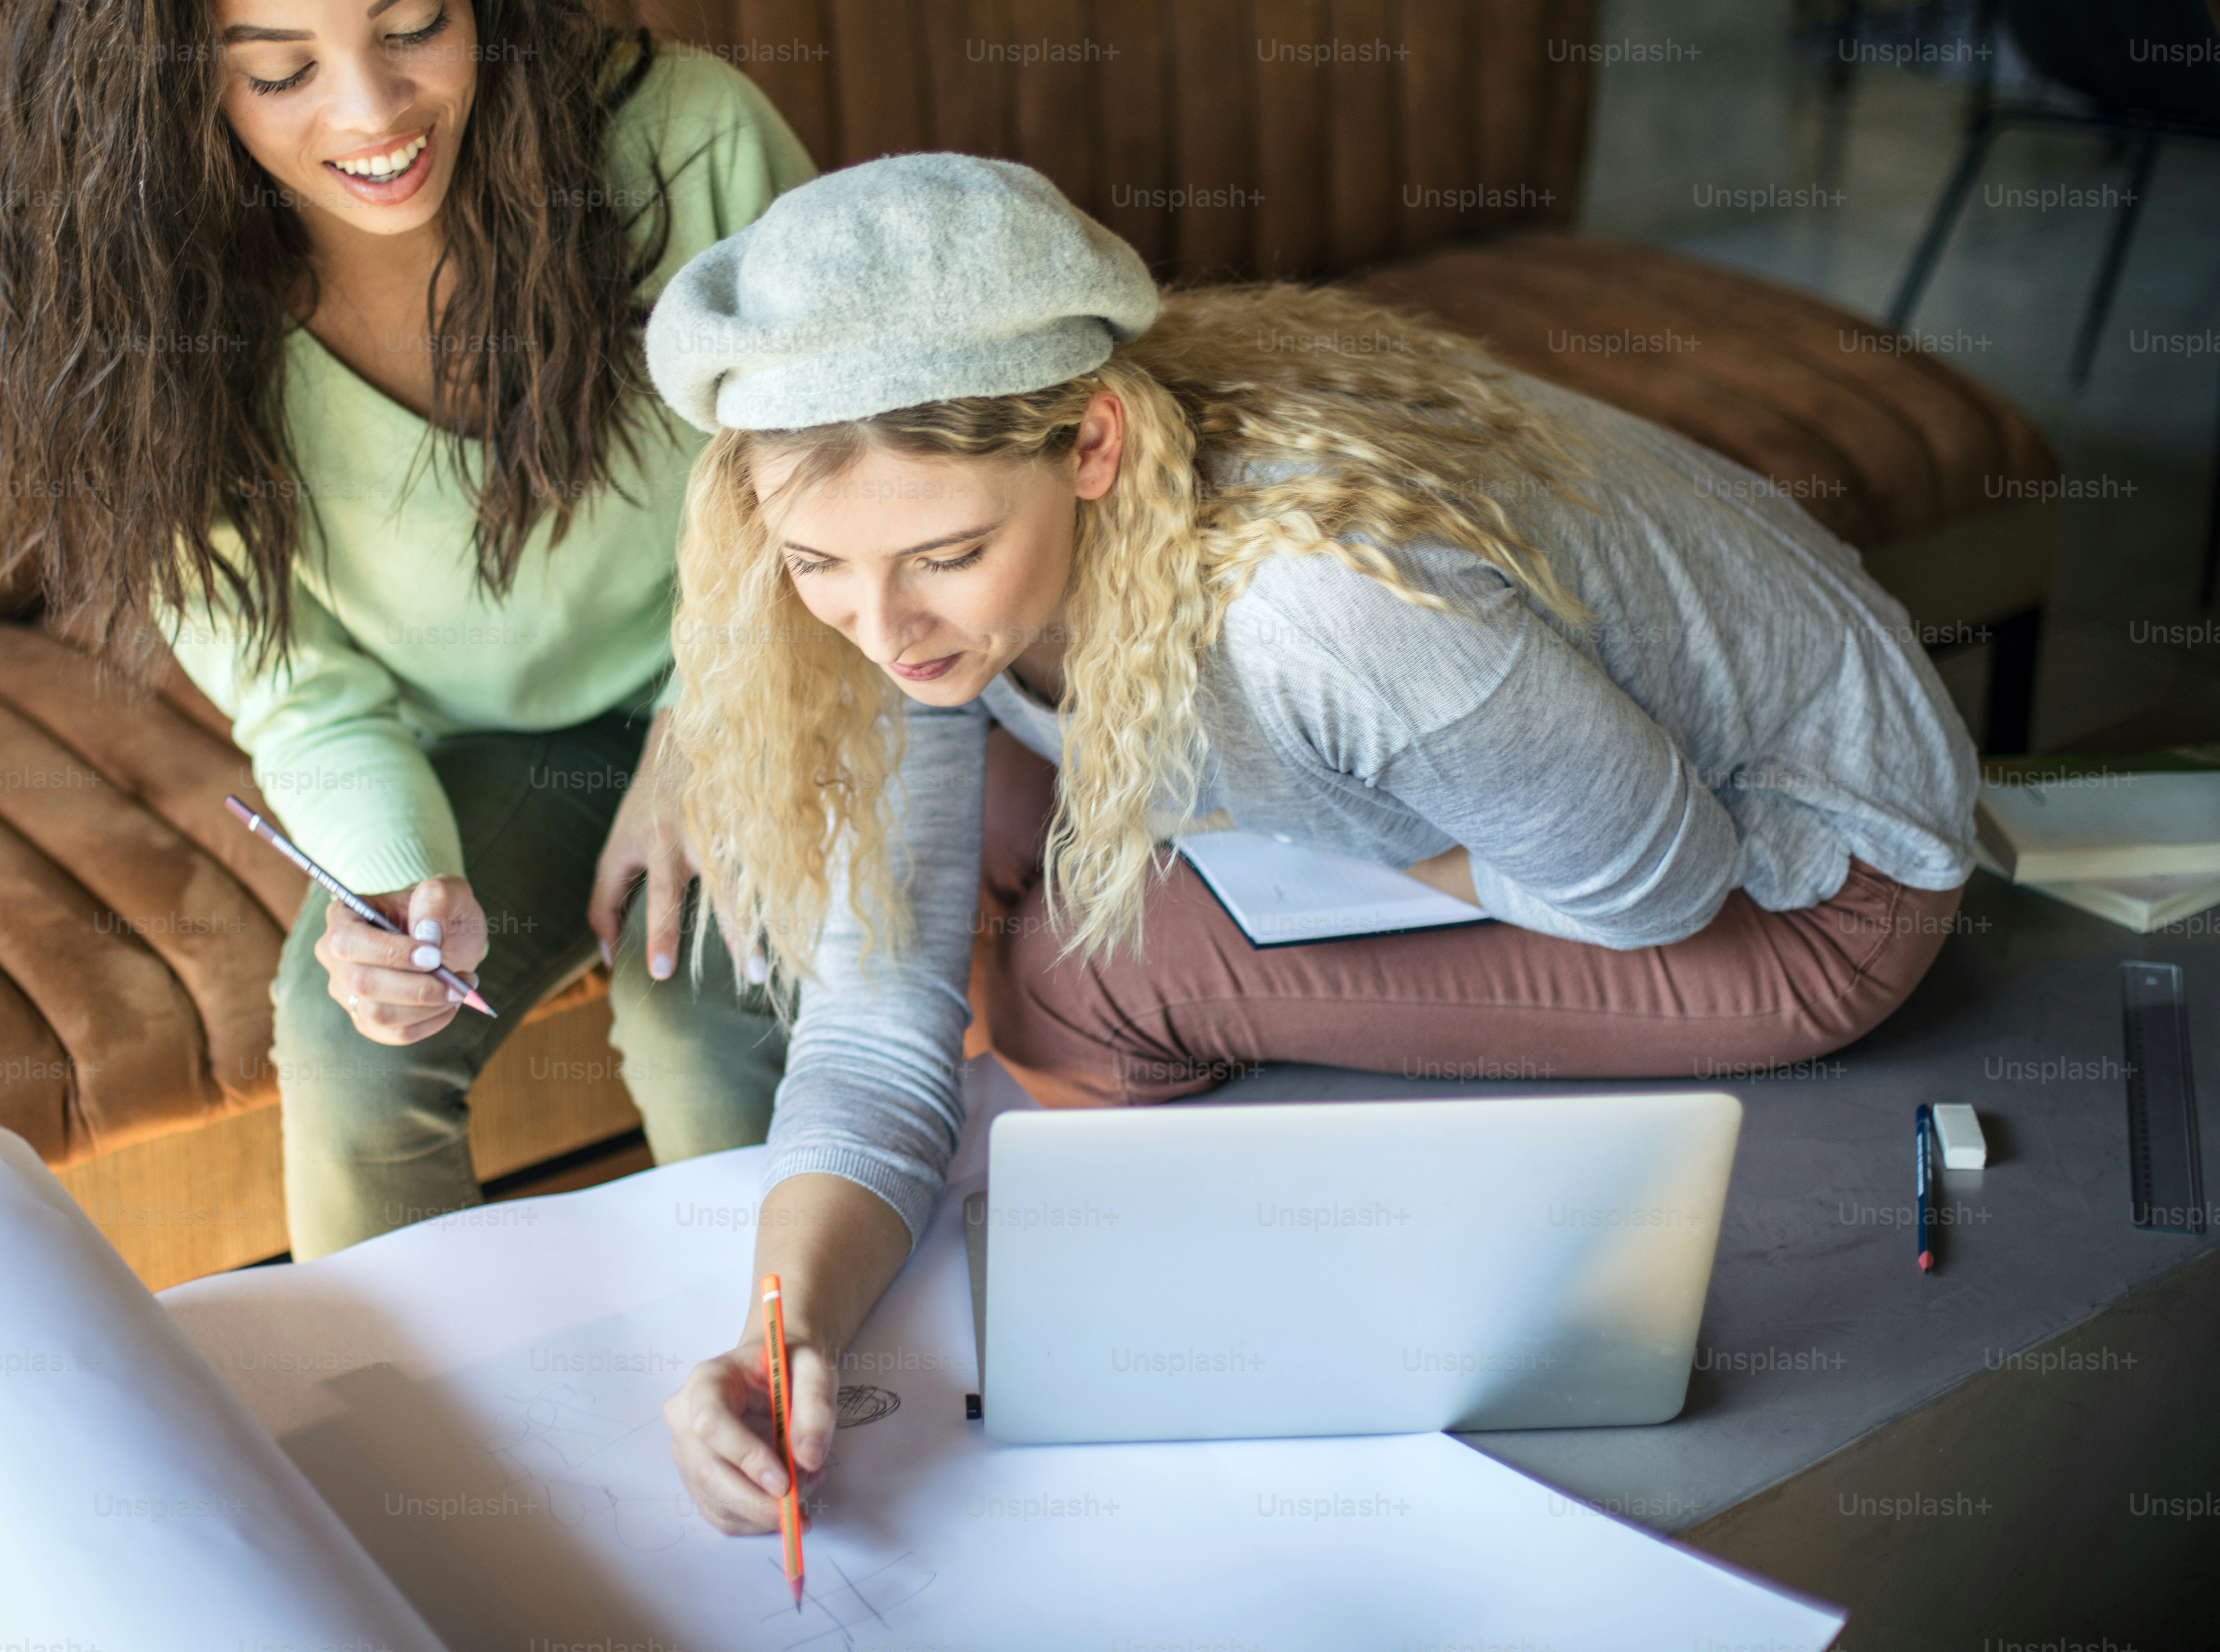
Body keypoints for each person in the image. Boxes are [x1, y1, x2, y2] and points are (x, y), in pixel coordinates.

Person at [641, 153, 1977, 1531]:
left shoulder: (1317, 610)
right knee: (976, 838)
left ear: (1092, 442)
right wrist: (780, 1328)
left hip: (1807, 873)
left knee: (1071, 976)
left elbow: (1659, 880)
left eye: (946, 555)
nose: (881, 628)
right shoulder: (897, 583)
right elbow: (875, 1022)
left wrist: (1373, 858)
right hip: (1532, 763)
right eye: (815, 566)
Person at [0, 0, 813, 1257]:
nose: (370, 113)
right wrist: (400, 885)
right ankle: (406, 1476)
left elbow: (828, 480)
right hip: (481, 750)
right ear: (169, 89)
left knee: (703, 1031)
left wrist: (710, 738)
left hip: (764, 674)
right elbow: (303, 694)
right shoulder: (166, 323)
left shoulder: (684, 146)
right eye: (278, 72)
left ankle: (794, 1401)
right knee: (360, 1046)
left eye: (415, 25)